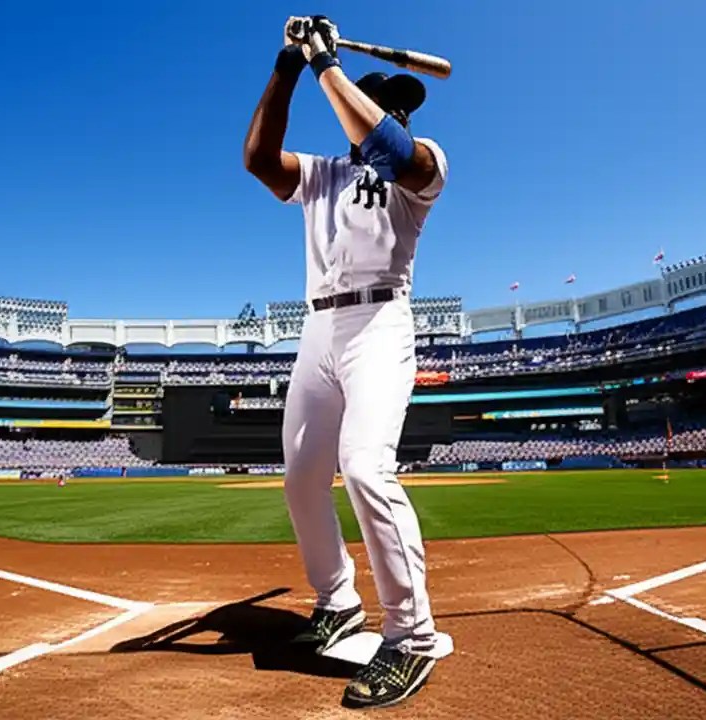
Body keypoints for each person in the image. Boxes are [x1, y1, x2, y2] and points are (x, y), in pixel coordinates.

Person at [243, 15, 451, 710]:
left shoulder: (423, 163)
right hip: (317, 330)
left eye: (392, 101)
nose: (390, 107)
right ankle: (337, 600)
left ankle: (412, 636)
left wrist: (328, 65)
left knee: (366, 466)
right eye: (378, 97)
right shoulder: (323, 174)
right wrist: (287, 66)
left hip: (379, 322)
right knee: (302, 478)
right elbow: (259, 160)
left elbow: (392, 148)